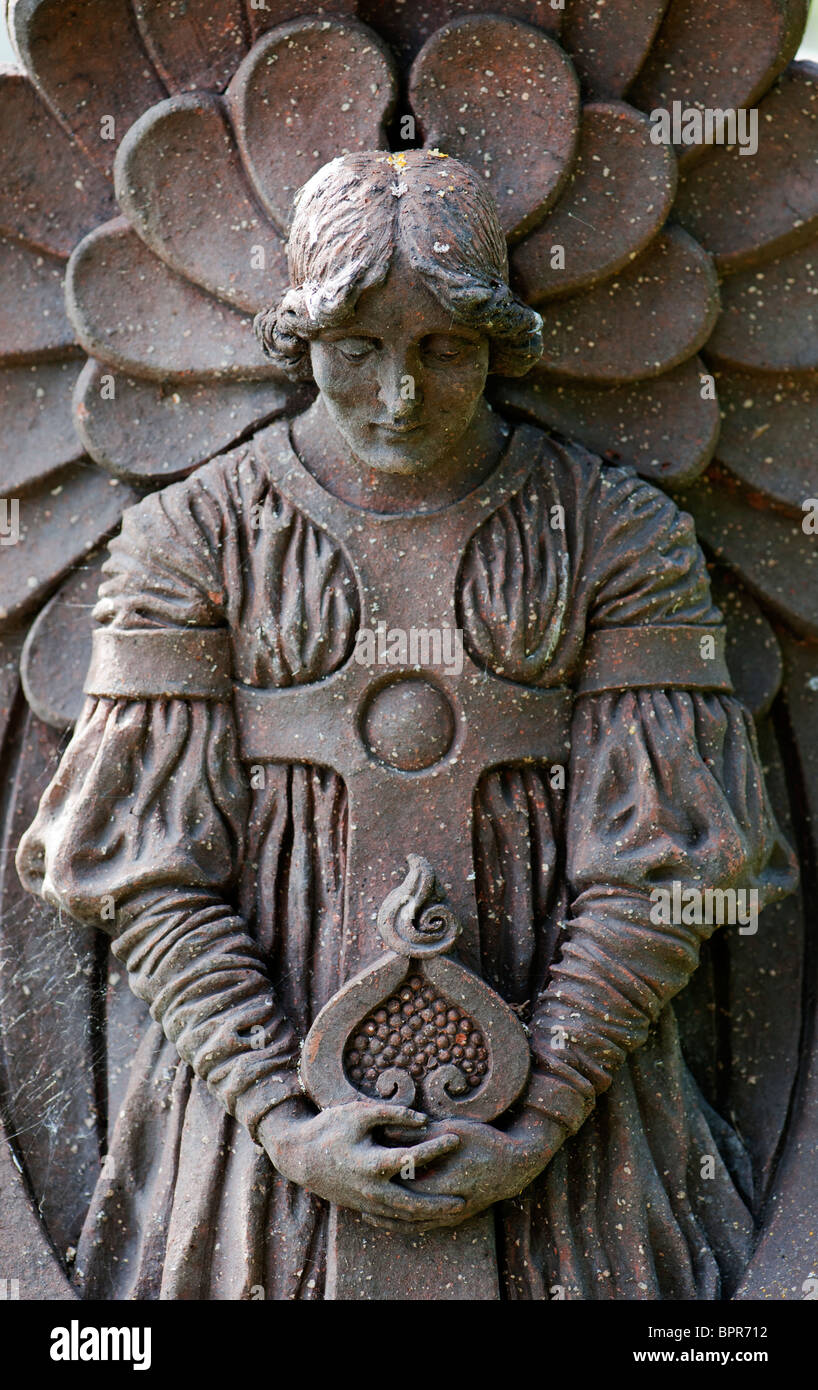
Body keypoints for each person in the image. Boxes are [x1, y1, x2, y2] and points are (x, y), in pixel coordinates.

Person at [17, 150, 795, 1300]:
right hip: (250, 1144)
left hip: (577, 1152)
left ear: (495, 344)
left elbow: (664, 862)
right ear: (298, 345)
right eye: (355, 352)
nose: (397, 396)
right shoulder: (188, 541)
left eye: (443, 351)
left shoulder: (616, 535)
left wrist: (539, 1112)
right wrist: (284, 1117)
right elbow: (144, 867)